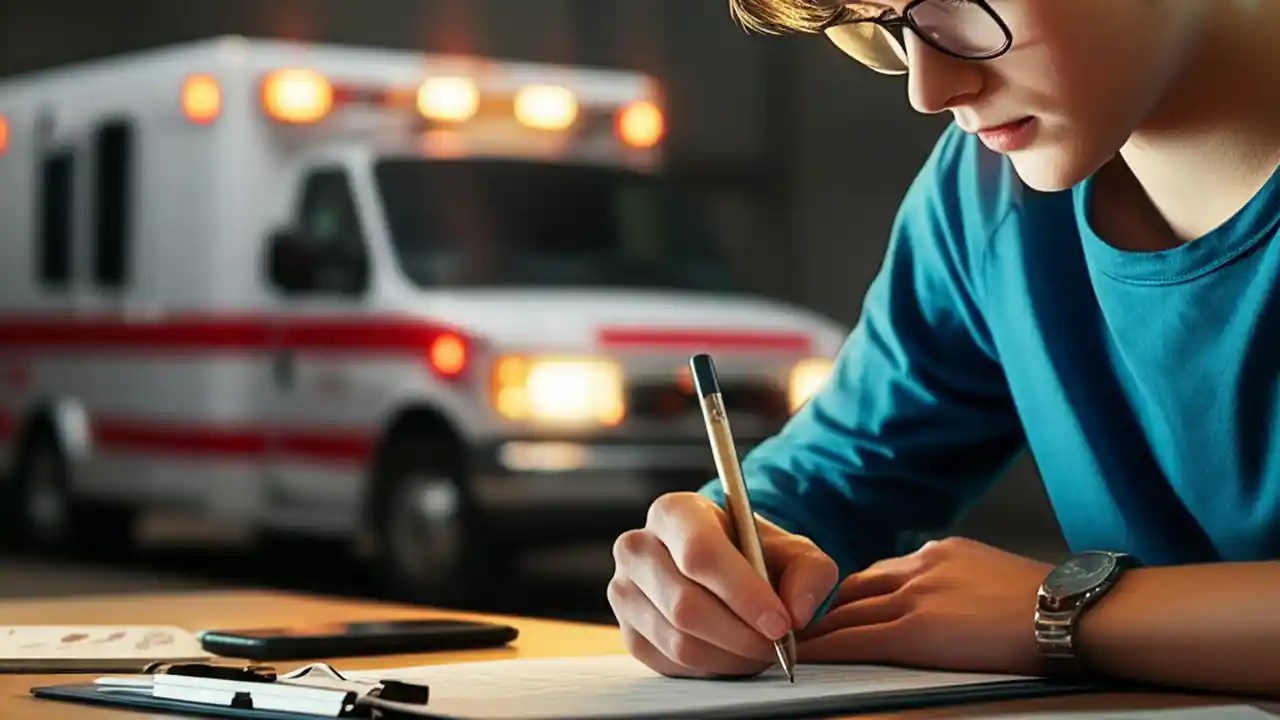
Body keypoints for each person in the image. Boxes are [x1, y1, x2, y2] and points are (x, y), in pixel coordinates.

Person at [607, 0, 1280, 697]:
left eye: (957, 5)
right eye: (881, 25)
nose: (927, 90)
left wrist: (1069, 612)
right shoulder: (987, 194)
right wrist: (716, 556)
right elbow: (841, 476)